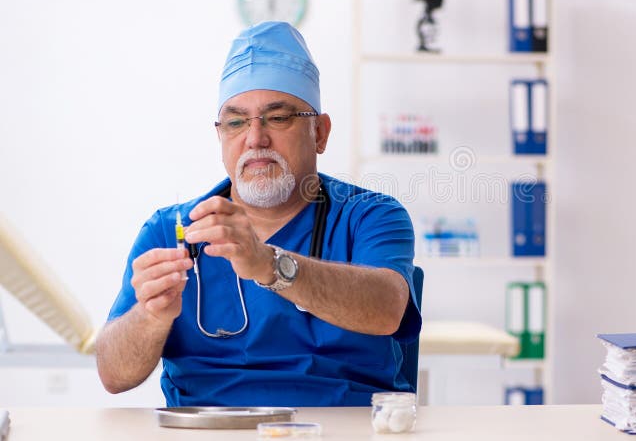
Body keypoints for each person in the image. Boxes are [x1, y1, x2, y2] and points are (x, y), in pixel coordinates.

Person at [95, 21, 421, 407]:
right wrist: (150, 318)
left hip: (338, 426)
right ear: (221, 136)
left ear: (320, 133)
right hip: (207, 431)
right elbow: (113, 376)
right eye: (235, 122)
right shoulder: (172, 230)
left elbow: (387, 309)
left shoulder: (369, 216)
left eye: (278, 118)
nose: (254, 139)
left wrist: (270, 265)